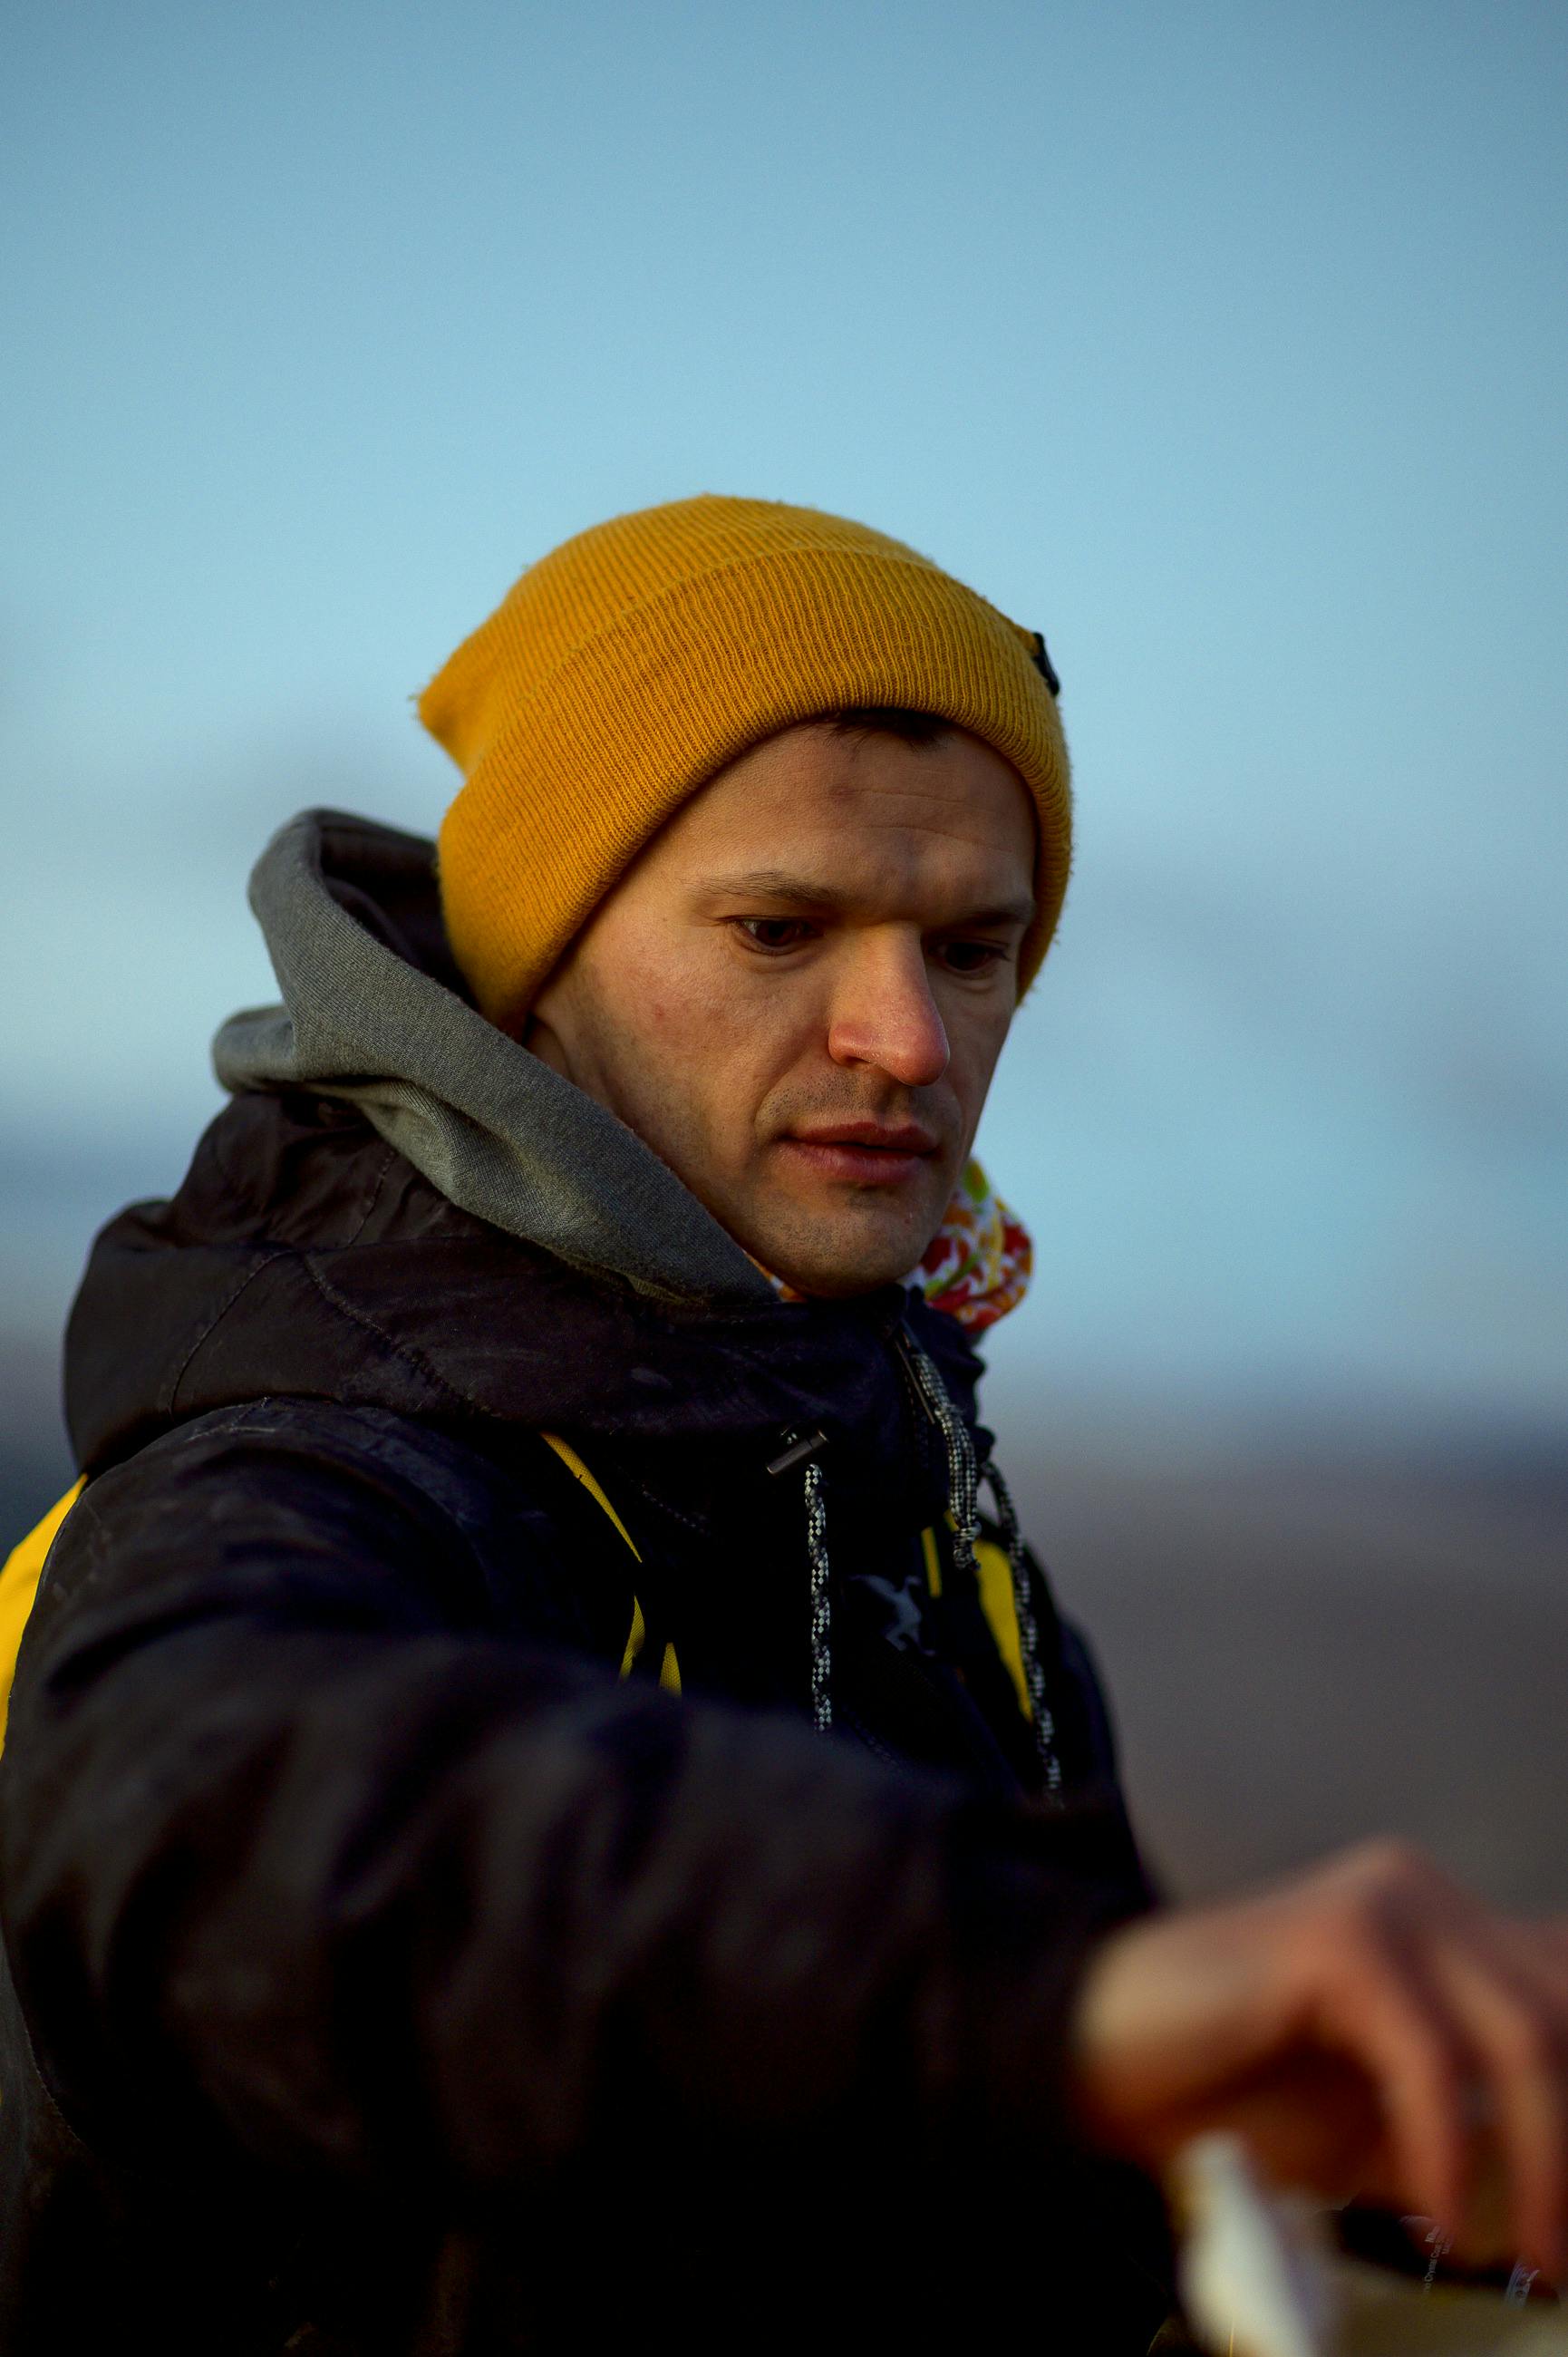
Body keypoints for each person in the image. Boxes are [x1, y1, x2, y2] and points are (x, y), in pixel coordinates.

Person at [0, 494, 1563, 2356]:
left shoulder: (882, 1458)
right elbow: (194, 1814)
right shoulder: (311, 1464)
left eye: (973, 946)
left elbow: (930, 2145)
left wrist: (1380, 2126)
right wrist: (1056, 1990)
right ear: (534, 969)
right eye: (778, 926)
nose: (909, 1036)